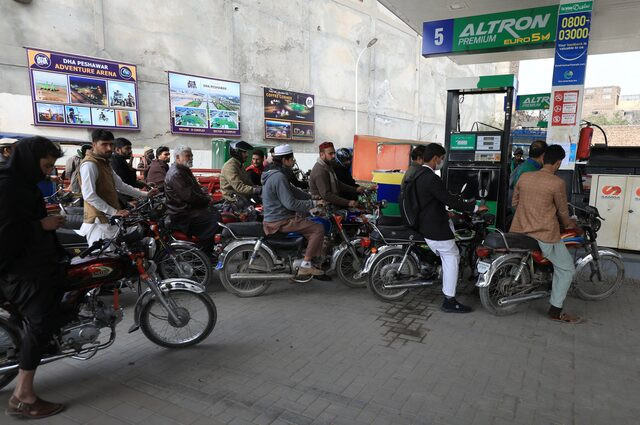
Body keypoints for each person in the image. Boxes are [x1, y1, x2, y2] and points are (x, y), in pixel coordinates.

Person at [0, 137, 66, 419]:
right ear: (29, 158)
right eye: (46, 165)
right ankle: (23, 396)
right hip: (21, 271)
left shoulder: (21, 183)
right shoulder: (8, 187)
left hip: (31, 265)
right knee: (41, 323)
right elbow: (4, 234)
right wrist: (41, 224)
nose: (48, 173)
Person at [414, 143, 488, 313]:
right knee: (452, 255)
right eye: (441, 159)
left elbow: (430, 201)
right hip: (434, 228)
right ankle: (449, 300)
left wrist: (446, 213)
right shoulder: (431, 177)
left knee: (448, 254)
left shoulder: (418, 174)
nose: (442, 162)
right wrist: (474, 208)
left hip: (425, 222)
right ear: (435, 158)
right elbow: (449, 200)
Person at [511, 145, 581, 324]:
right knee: (566, 269)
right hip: (544, 234)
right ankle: (555, 310)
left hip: (519, 230)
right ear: (558, 163)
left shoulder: (525, 177)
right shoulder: (557, 183)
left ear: (543, 159)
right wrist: (570, 225)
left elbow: (515, 202)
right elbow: (563, 212)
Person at [78, 129, 154, 249]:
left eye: (111, 144)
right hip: (98, 223)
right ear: (94, 145)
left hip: (110, 220)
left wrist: (146, 194)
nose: (109, 148)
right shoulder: (90, 165)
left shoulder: (104, 163)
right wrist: (114, 211)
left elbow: (120, 185)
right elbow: (89, 195)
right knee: (105, 262)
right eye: (104, 144)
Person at [262, 144, 325, 276]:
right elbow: (290, 204)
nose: (293, 162)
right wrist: (313, 203)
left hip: (277, 218)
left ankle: (306, 258)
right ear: (285, 160)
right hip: (280, 220)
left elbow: (293, 191)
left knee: (309, 224)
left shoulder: (275, 174)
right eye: (292, 159)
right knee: (318, 228)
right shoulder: (278, 177)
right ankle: (306, 265)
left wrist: (311, 197)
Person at [164, 145, 219, 252]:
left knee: (216, 211)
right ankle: (203, 251)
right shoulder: (176, 174)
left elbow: (195, 189)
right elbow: (190, 196)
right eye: (188, 156)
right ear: (177, 157)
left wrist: (205, 195)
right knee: (214, 218)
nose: (191, 158)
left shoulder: (183, 170)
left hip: (189, 209)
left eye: (191, 155)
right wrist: (207, 199)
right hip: (183, 214)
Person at [310, 142, 361, 208]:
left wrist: (355, 189)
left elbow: (337, 183)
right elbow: (326, 195)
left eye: (334, 153)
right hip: (321, 210)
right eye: (330, 154)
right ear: (322, 154)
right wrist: (348, 202)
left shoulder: (328, 166)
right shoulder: (320, 171)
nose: (334, 156)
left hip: (330, 206)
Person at [111, 138, 148, 205]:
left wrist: (145, 185)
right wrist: (127, 201)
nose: (130, 151)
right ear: (117, 150)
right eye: (127, 149)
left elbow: (130, 180)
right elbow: (119, 185)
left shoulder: (121, 160)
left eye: (130, 148)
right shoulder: (115, 161)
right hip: (119, 200)